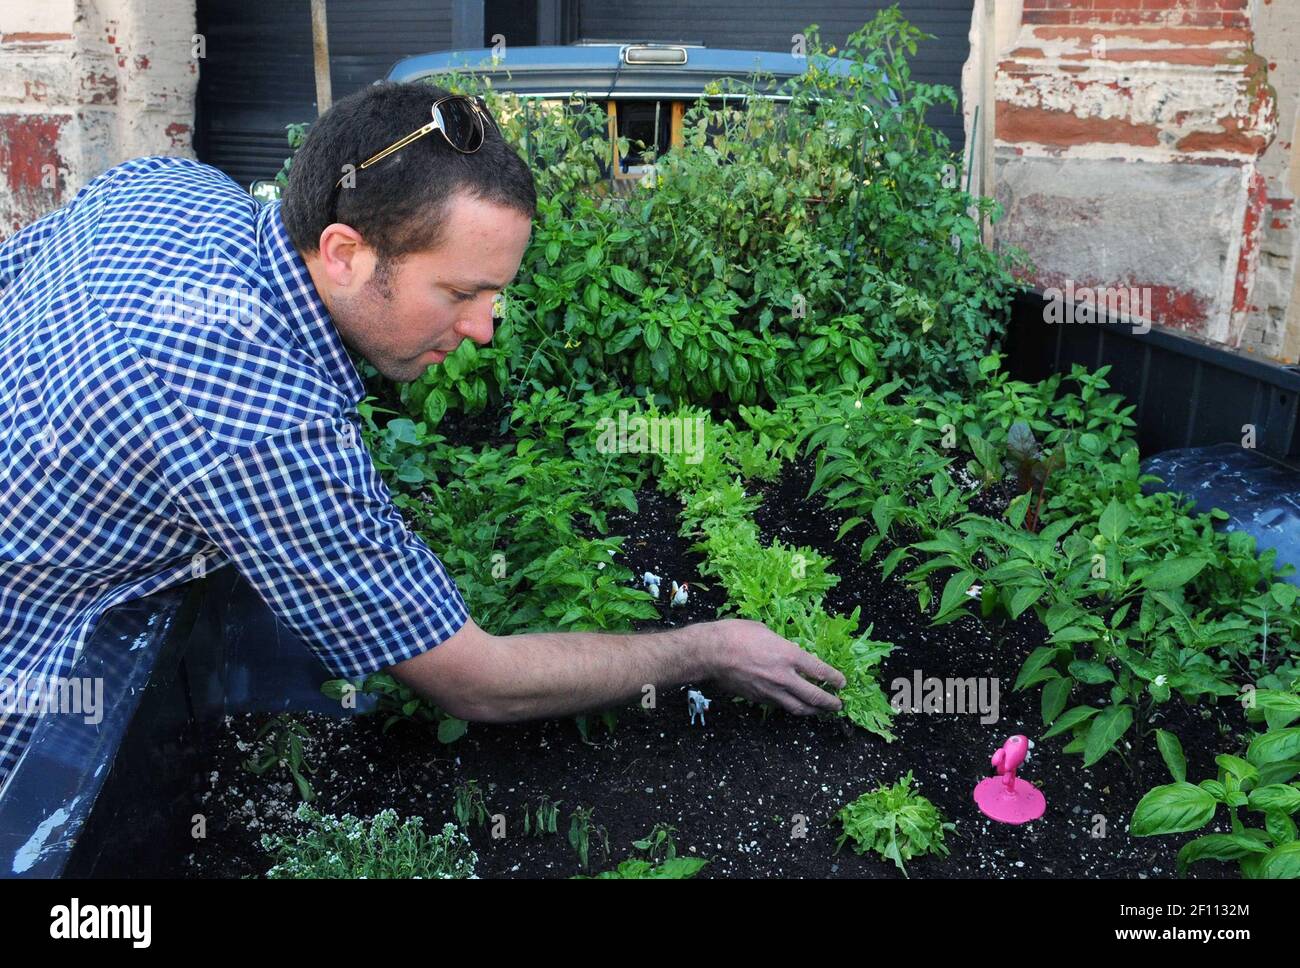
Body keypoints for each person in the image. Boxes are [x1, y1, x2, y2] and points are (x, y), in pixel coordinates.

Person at [0, 81, 842, 793]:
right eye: (459, 293)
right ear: (344, 253)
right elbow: (474, 682)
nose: (484, 328)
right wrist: (707, 647)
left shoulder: (169, 189)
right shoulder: (267, 428)